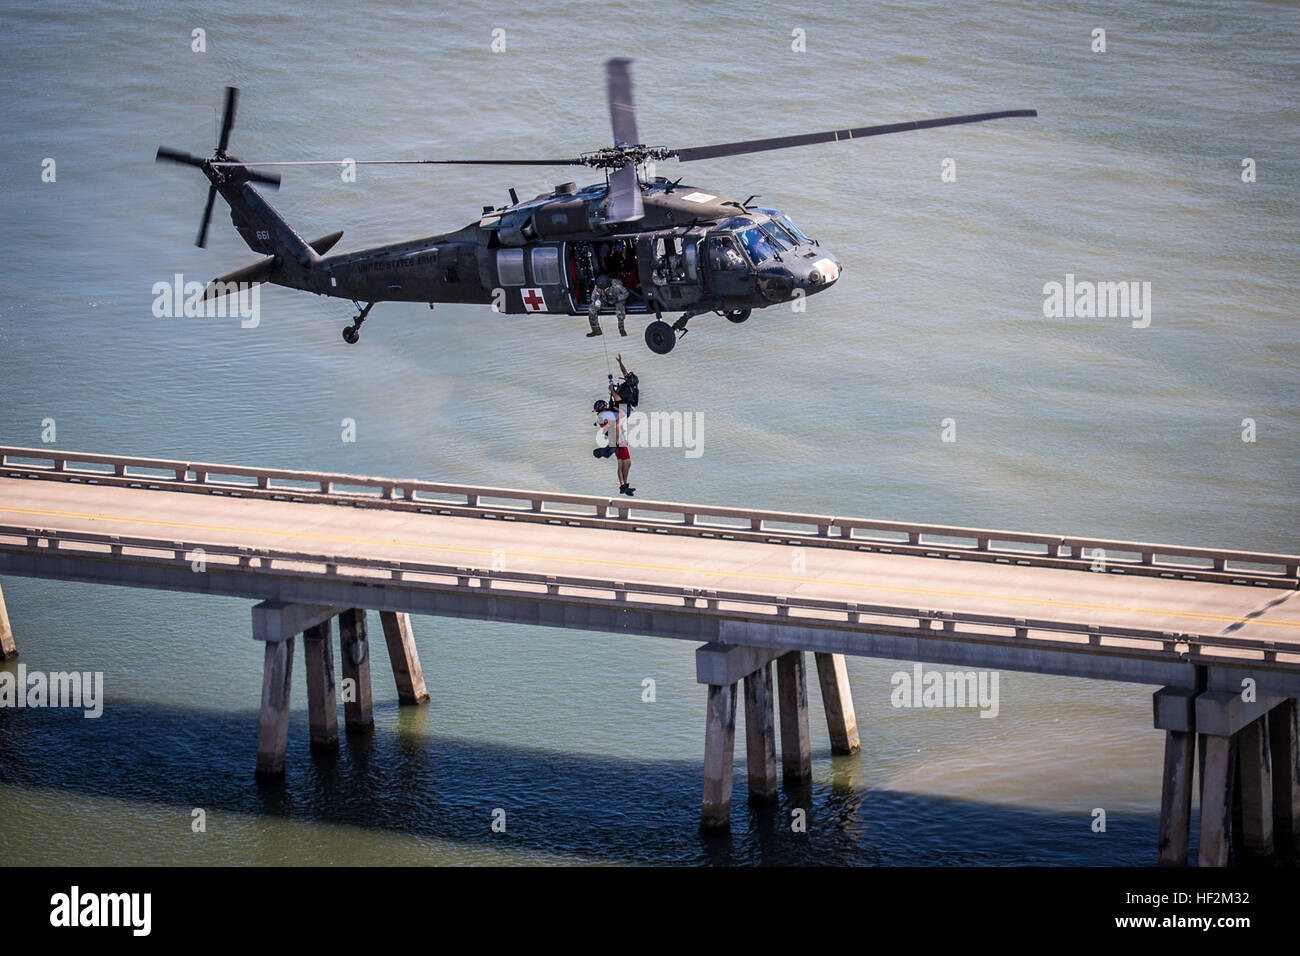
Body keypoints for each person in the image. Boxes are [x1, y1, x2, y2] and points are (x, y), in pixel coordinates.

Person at [591, 398, 634, 495]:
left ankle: (623, 486)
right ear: (604, 407)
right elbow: (623, 415)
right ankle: (624, 485)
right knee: (627, 463)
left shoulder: (600, 416)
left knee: (620, 464)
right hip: (619, 440)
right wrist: (615, 407)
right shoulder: (609, 414)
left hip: (612, 439)